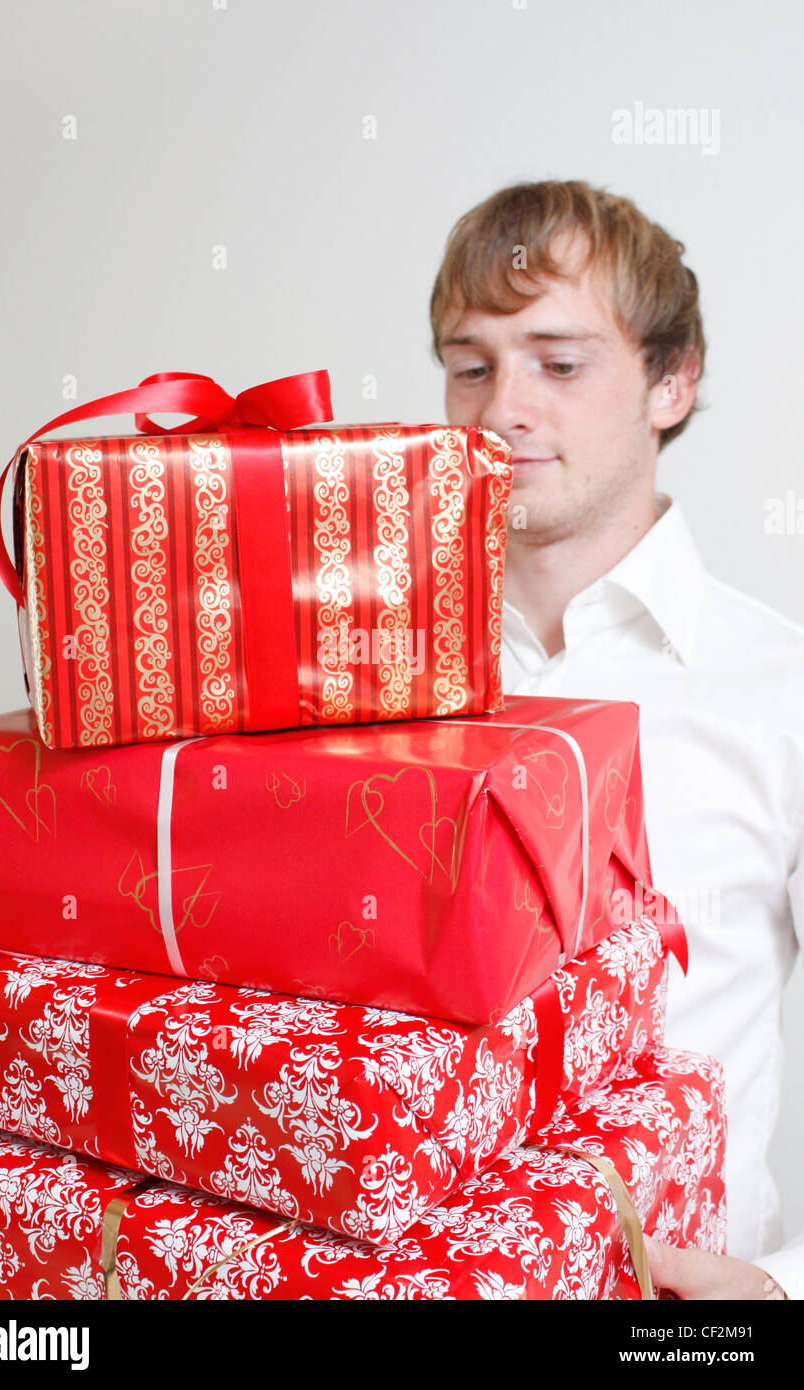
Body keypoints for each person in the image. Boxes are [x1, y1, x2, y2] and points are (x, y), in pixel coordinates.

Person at [431, 179, 804, 1300]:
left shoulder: (779, 693)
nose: (503, 409)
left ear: (669, 381)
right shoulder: (356, 688)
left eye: (557, 361)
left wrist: (782, 1292)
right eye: (470, 364)